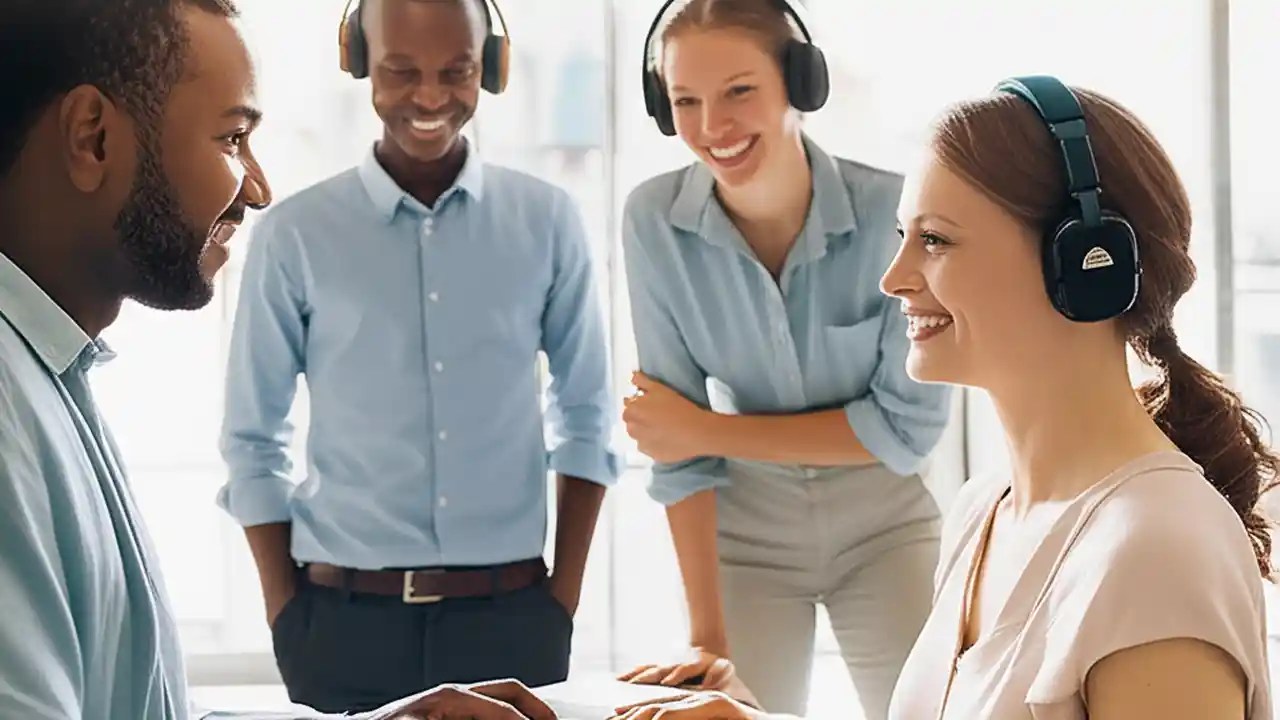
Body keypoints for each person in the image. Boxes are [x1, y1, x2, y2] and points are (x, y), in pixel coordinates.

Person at [607, 77, 1277, 720]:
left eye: (935, 240)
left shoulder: (1157, 552)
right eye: (904, 238)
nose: (894, 279)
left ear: (1081, 261)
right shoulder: (983, 512)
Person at [0, 1, 567, 719]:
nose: (259, 188)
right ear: (93, 138)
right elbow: (253, 441)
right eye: (232, 138)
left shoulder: (48, 381)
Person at [215, 0, 618, 713]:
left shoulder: (549, 220)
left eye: (456, 70)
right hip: (341, 627)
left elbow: (585, 418)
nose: (430, 96)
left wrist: (562, 602)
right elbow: (253, 439)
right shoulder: (294, 234)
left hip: (512, 619)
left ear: (489, 67)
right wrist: (287, 614)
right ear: (360, 61)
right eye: (401, 71)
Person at [616, 0, 952, 716]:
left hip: (886, 528)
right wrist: (707, 639)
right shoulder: (653, 221)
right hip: (744, 537)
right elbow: (676, 457)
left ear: (800, 84)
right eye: (685, 100)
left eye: (739, 90)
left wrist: (705, 429)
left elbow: (905, 431)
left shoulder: (897, 211)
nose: (712, 127)